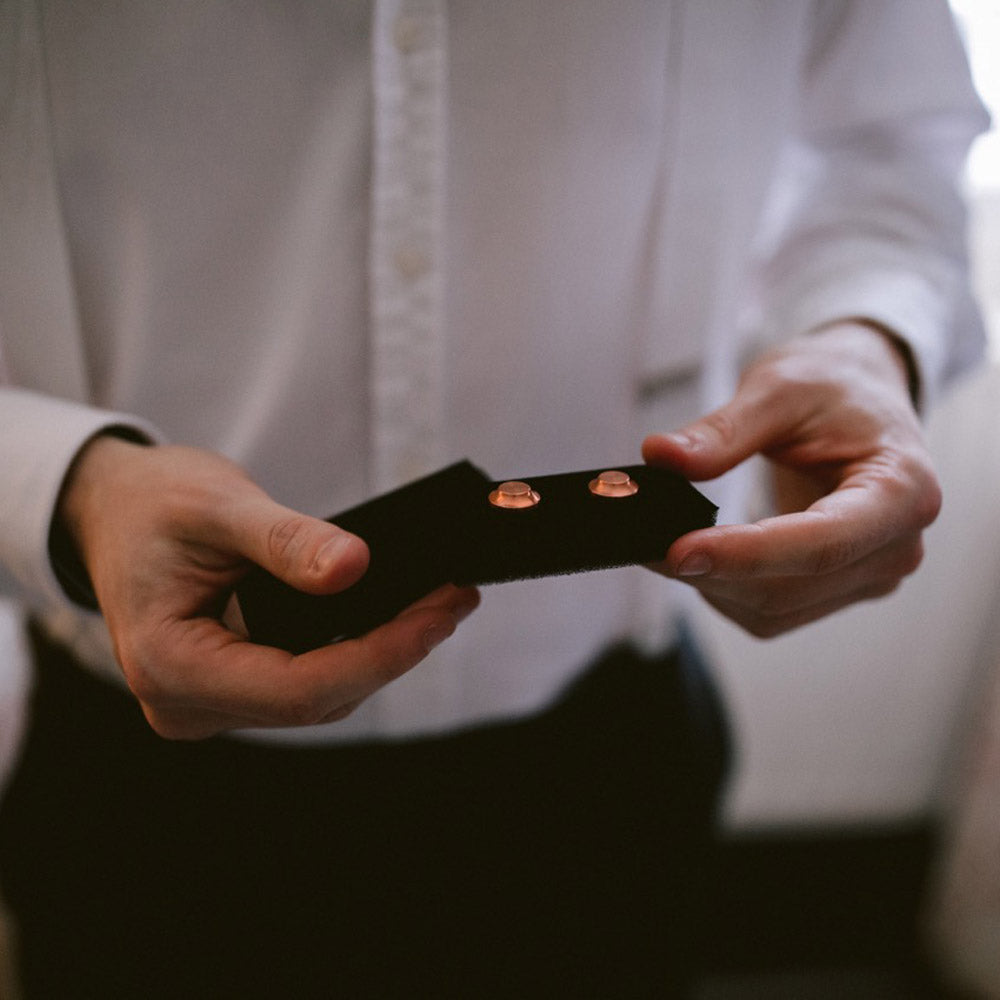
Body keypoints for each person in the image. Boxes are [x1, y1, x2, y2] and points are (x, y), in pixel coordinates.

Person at [0, 1, 988, 996]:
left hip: (606, 772)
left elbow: (886, 147)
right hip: (144, 792)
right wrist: (65, 481)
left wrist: (864, 337)